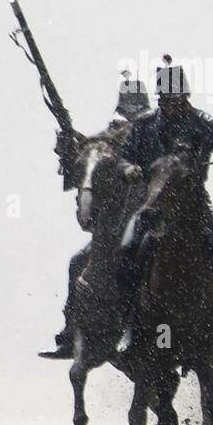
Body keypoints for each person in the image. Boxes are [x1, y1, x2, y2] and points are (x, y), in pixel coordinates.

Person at [114, 55, 213, 353]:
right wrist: (128, 170)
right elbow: (122, 159)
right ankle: (129, 328)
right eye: (167, 98)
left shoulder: (205, 124)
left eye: (177, 98)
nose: (173, 104)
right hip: (152, 206)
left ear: (186, 96)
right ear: (160, 98)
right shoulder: (142, 126)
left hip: (196, 206)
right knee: (126, 250)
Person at [39, 70, 151, 359]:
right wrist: (69, 147)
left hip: (150, 219)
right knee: (78, 264)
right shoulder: (108, 140)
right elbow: (84, 171)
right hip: (115, 224)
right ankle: (71, 334)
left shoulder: (153, 134)